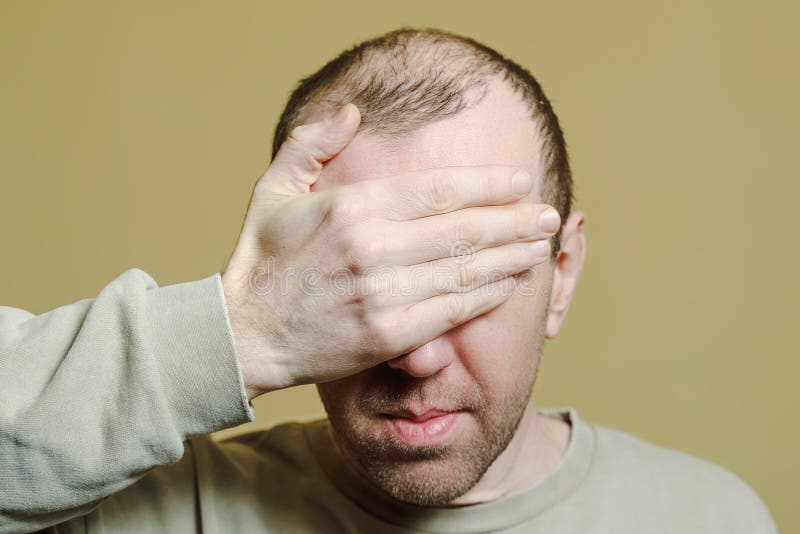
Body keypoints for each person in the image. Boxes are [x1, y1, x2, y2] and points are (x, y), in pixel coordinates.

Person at [0, 28, 776, 534]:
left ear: (560, 275)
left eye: (472, 276)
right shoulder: (162, 508)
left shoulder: (710, 517)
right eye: (362, 279)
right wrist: (238, 330)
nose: (414, 355)